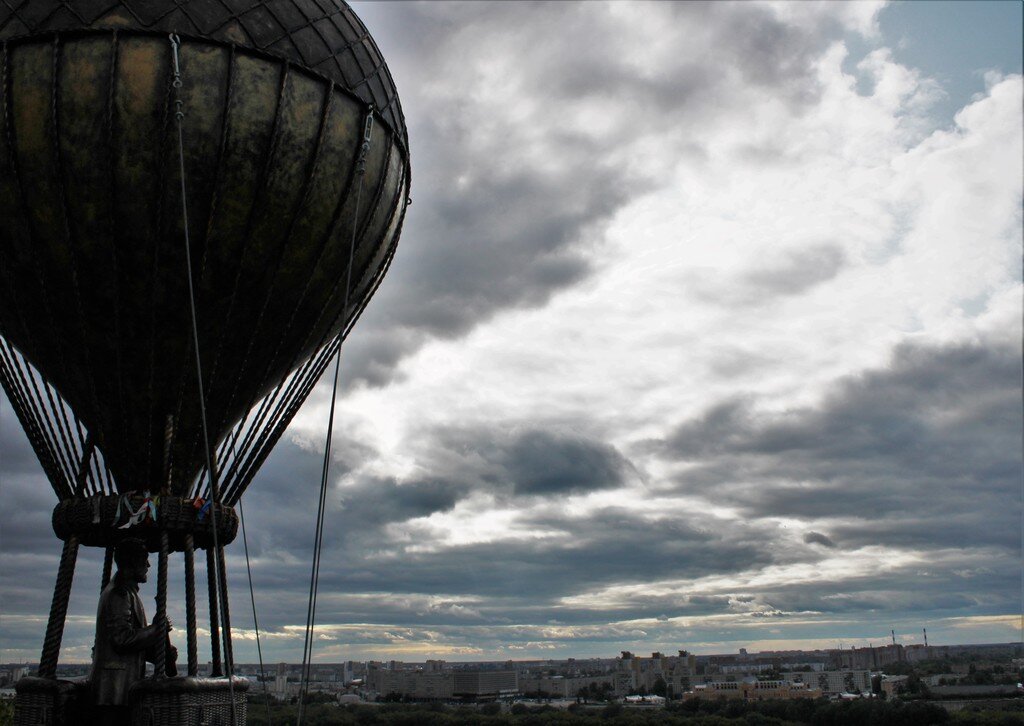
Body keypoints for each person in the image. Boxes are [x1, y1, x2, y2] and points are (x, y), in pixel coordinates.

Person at [90, 538, 177, 725]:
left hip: (119, 689)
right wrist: (156, 630)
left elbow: (127, 644)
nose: (148, 564)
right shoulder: (118, 594)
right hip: (114, 691)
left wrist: (158, 654)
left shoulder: (126, 593)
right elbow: (121, 640)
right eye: (144, 559)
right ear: (131, 562)